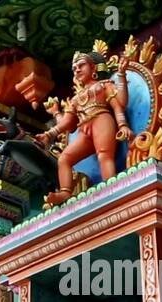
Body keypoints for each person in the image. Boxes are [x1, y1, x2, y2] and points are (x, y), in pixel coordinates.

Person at [35, 39, 132, 206]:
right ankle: (65, 192)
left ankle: (111, 187)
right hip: (84, 129)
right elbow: (68, 123)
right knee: (64, 158)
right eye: (74, 68)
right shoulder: (75, 99)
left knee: (104, 155)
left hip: (102, 120)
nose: (77, 70)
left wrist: (123, 125)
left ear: (93, 68)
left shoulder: (104, 85)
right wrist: (49, 134)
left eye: (81, 65)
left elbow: (119, 104)